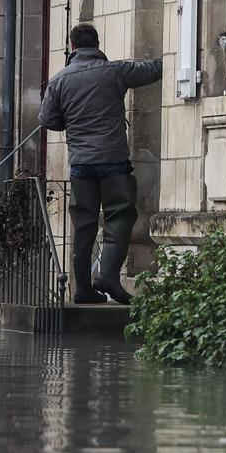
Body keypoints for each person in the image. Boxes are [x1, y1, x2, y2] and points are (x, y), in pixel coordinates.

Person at [40, 23, 162, 304]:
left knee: (83, 224)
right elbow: (153, 70)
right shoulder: (115, 71)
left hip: (81, 164)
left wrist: (72, 122)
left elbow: (48, 120)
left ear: (72, 47)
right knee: (119, 215)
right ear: (97, 44)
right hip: (113, 160)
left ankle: (82, 287)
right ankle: (108, 275)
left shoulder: (59, 81)